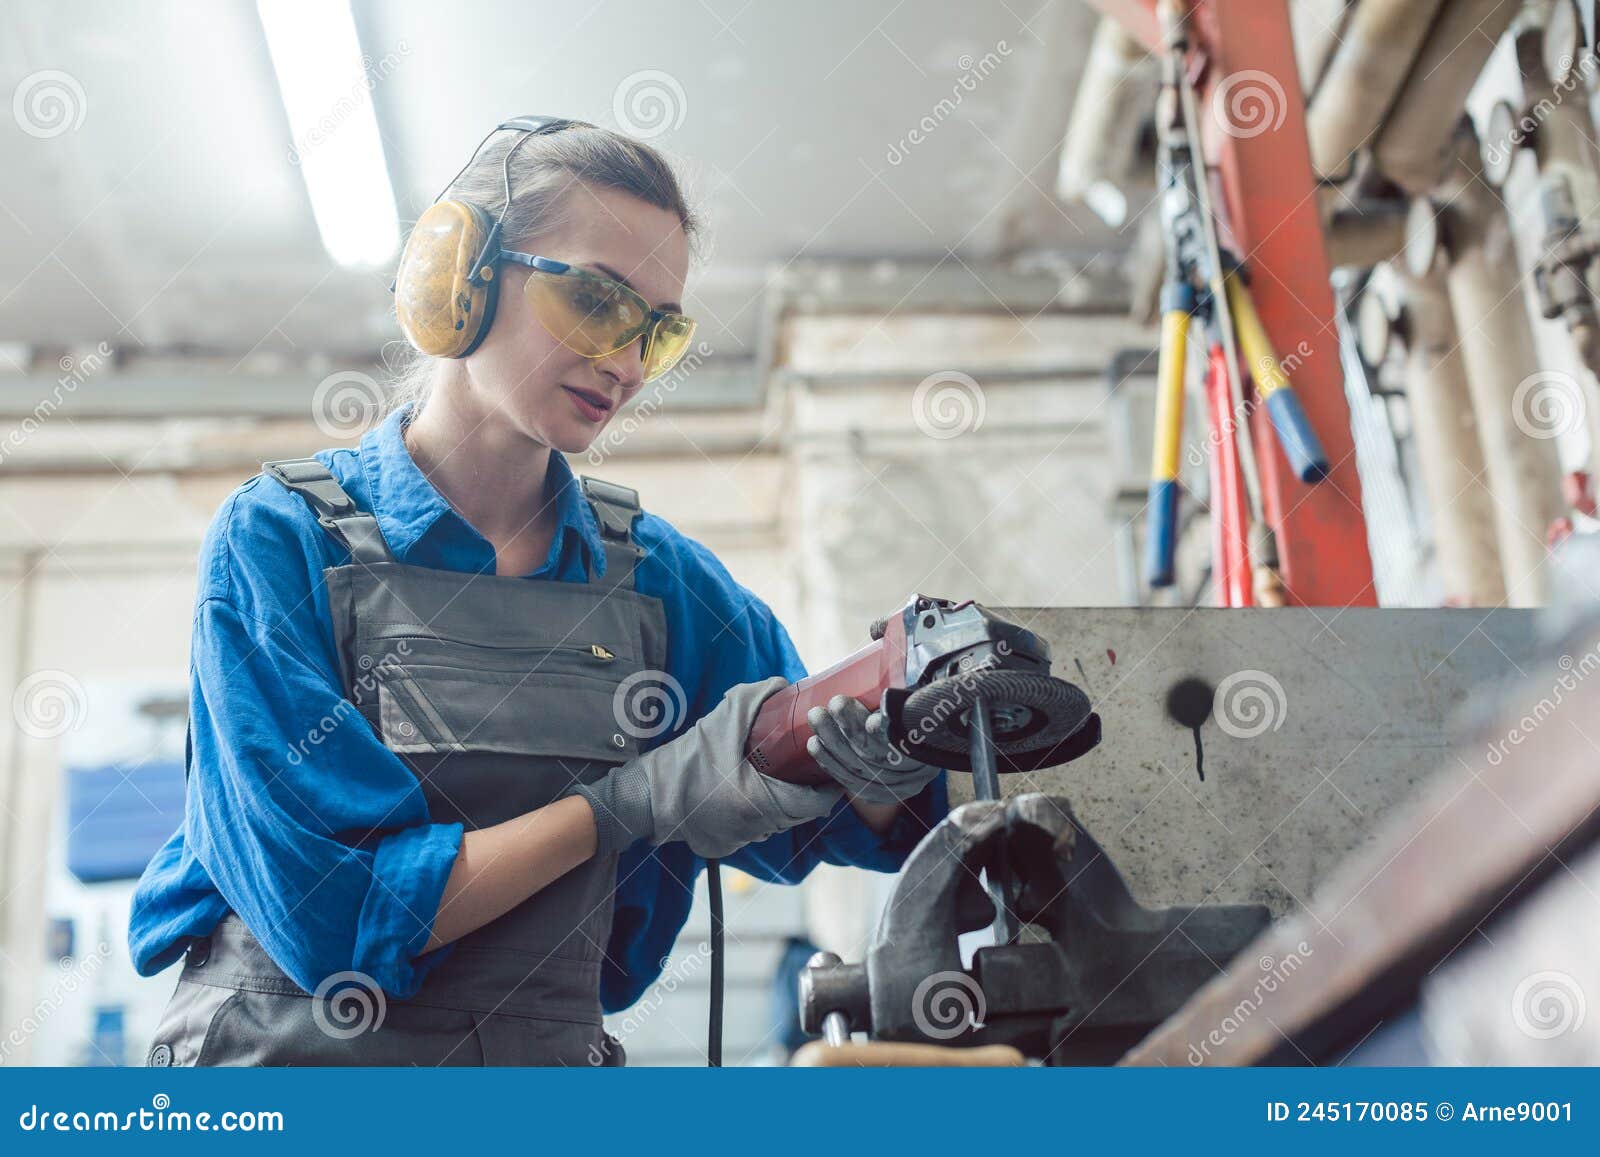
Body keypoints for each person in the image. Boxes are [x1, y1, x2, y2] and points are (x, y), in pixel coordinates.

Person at [127, 116, 947, 1067]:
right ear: (459, 277)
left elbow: (837, 820)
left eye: (659, 331)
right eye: (599, 304)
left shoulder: (661, 586)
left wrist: (882, 770)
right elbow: (335, 918)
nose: (629, 365)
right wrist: (627, 804)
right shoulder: (281, 544)